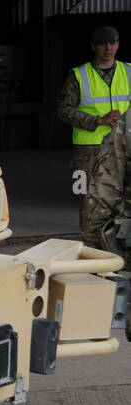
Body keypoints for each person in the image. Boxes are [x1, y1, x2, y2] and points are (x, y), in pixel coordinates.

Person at [58, 25, 129, 250]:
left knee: (123, 204)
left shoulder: (128, 72)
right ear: (94, 46)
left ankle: (120, 255)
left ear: (118, 44)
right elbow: (63, 109)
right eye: (102, 43)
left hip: (123, 150)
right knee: (89, 207)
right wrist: (97, 121)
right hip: (88, 152)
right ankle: (93, 257)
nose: (108, 48)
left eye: (113, 42)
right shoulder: (78, 75)